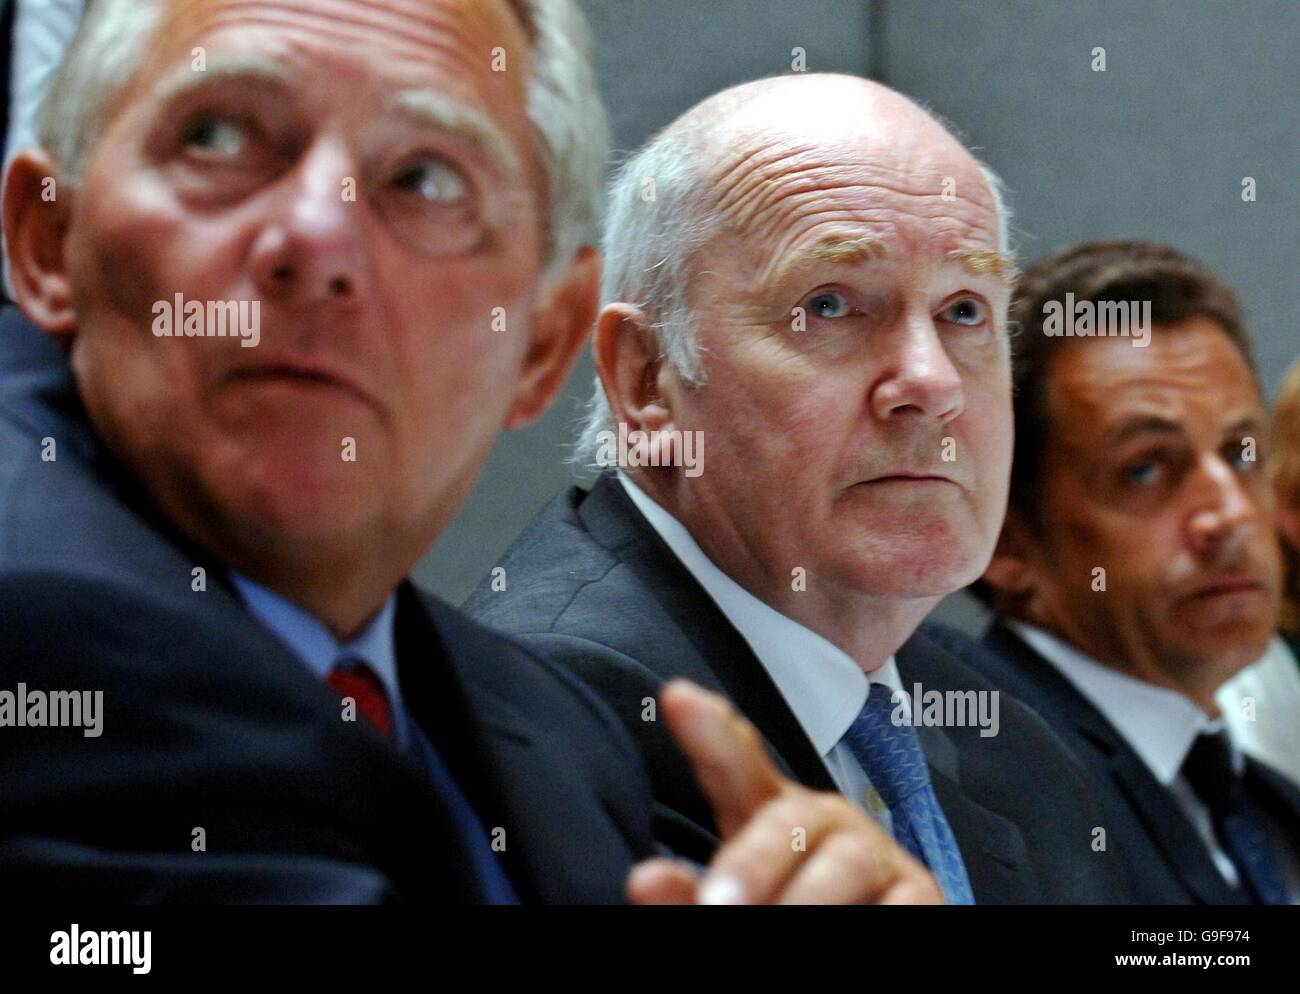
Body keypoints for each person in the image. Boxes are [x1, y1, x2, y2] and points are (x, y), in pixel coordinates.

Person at [0, 0, 940, 905]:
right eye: (218, 139)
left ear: (542, 342)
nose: (318, 240)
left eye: (425, 180)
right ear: (46, 240)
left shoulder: (555, 733)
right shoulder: (48, 625)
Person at [467, 73, 1127, 904]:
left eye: (964, 311)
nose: (930, 382)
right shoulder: (555, 717)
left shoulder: (1002, 736)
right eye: (829, 304)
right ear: (646, 379)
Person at [969, 239, 1300, 903]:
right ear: (1004, 538)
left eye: (1240, 455)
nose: (1229, 515)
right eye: (1146, 469)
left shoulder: (1271, 812)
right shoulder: (978, 798)